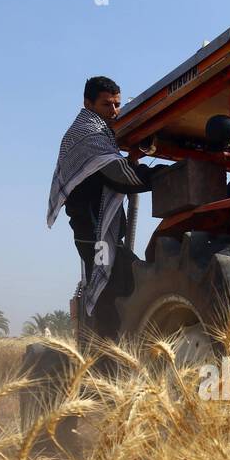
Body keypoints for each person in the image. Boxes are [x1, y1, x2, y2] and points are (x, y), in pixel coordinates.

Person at [47, 75, 166, 338]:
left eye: (117, 104)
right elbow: (118, 176)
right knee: (110, 293)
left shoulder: (100, 133)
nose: (113, 111)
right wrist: (165, 176)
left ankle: (110, 354)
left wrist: (132, 160)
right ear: (88, 103)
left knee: (125, 284)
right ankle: (106, 361)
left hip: (102, 233)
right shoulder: (88, 133)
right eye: (106, 105)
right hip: (93, 235)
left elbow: (110, 173)